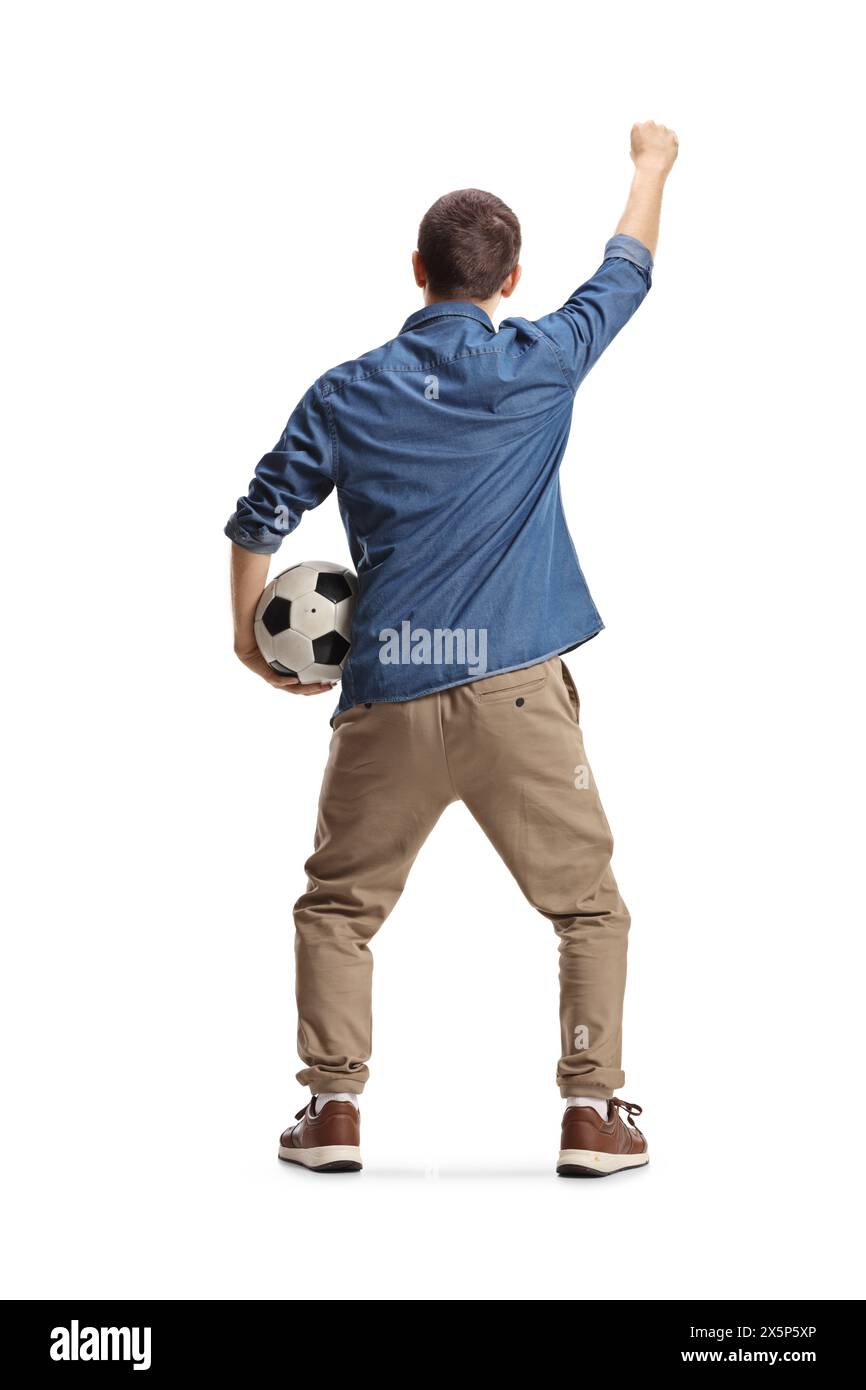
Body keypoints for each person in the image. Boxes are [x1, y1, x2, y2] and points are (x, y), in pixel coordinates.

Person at [226, 121, 679, 1176]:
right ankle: (591, 1113)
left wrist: (250, 636)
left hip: (383, 697)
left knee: (338, 905)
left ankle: (332, 1109)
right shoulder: (544, 357)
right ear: (509, 278)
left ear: (415, 272)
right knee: (586, 908)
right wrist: (649, 167)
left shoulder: (345, 391)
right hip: (517, 693)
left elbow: (259, 518)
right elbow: (629, 271)